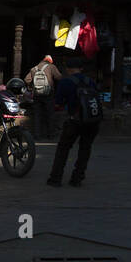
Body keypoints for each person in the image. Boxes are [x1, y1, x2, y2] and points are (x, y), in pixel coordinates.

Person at [47, 55, 102, 187]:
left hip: (74, 121)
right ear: (81, 68)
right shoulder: (90, 81)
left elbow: (59, 103)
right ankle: (77, 178)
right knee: (85, 149)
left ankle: (55, 179)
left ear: (67, 69)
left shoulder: (66, 82)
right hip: (92, 121)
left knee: (63, 149)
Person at [28, 53, 62, 138]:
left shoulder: (34, 69)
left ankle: (37, 135)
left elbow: (27, 79)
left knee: (37, 115)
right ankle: (51, 134)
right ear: (50, 61)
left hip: (37, 95)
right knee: (50, 114)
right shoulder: (51, 67)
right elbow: (59, 77)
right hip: (48, 94)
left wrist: (33, 86)